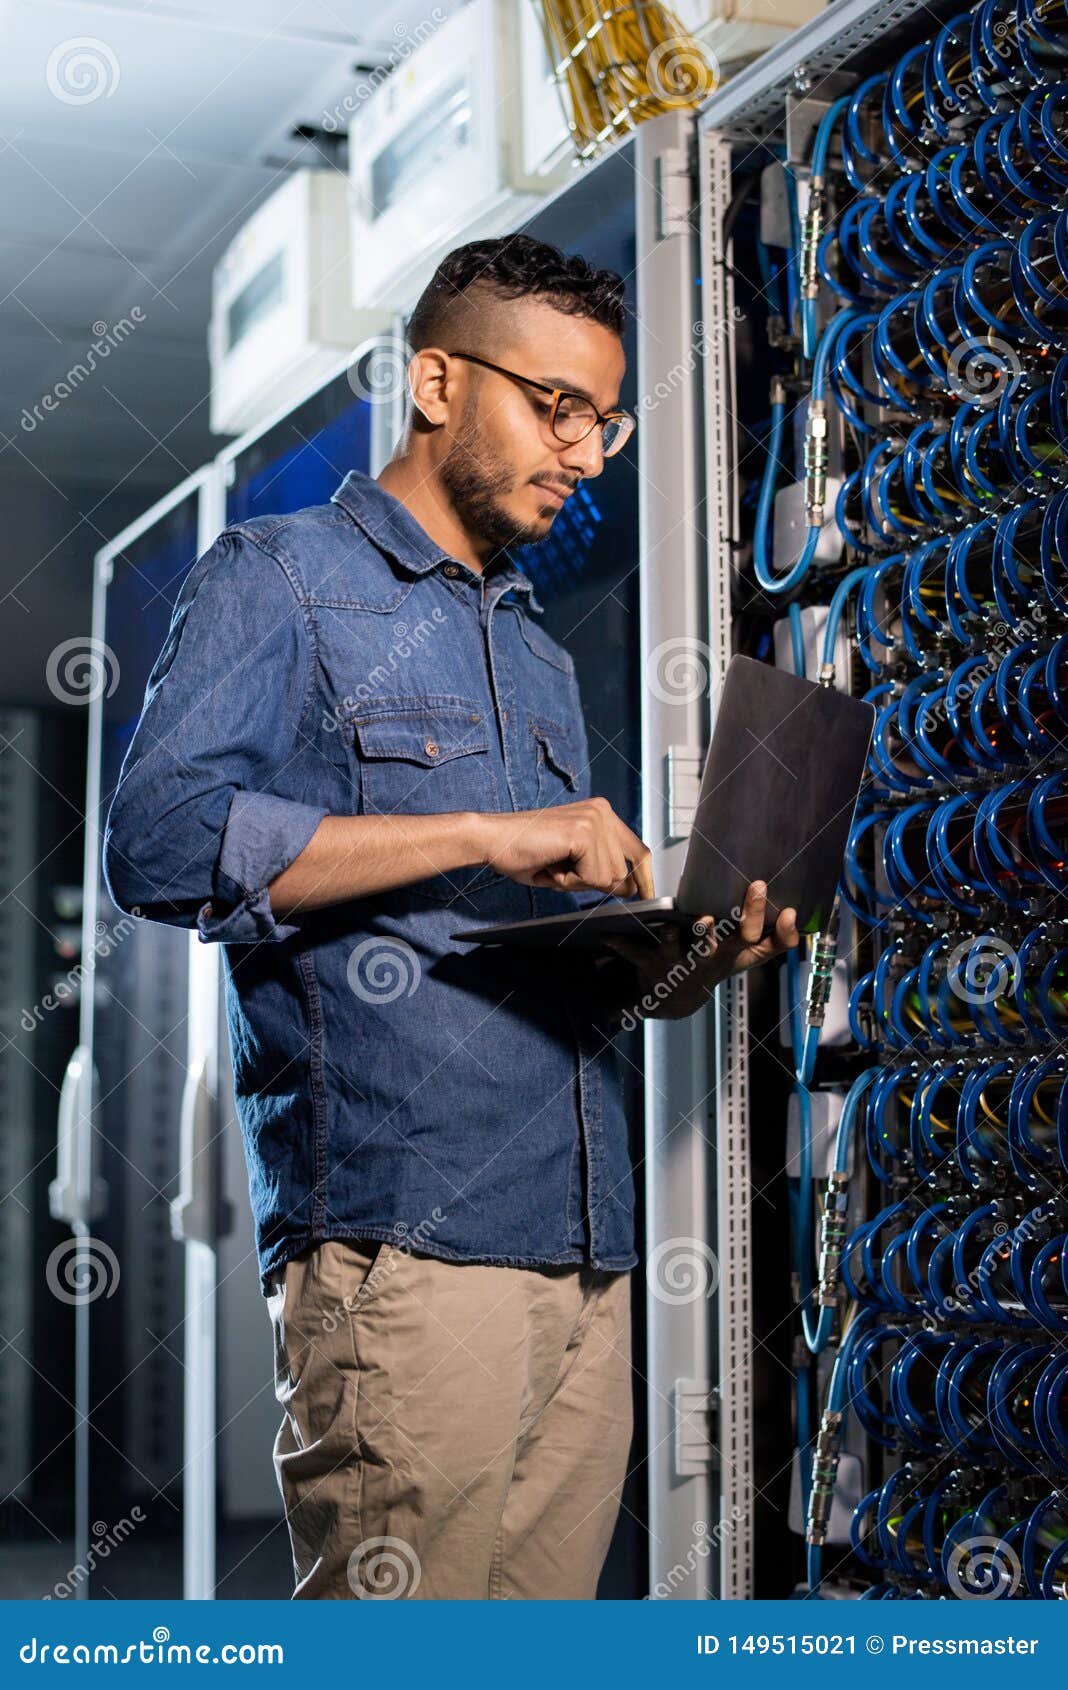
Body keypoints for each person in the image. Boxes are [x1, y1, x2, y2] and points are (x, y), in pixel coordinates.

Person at [103, 234, 798, 1601]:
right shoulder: (279, 579)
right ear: (433, 380)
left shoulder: (531, 648)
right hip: (410, 1261)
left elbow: (516, 967)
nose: (586, 448)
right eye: (556, 405)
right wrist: (486, 830)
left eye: (604, 417)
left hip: (583, 1258)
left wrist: (692, 958)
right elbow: (160, 843)